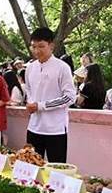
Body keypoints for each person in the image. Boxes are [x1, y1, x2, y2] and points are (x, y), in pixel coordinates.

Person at [25, 27, 76, 163]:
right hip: (34, 127)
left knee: (57, 169)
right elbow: (29, 90)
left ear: (51, 46)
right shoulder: (30, 68)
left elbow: (70, 97)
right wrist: (30, 103)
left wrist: (41, 106)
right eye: (33, 47)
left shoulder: (62, 67)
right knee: (31, 166)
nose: (36, 51)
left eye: (41, 46)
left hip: (55, 129)